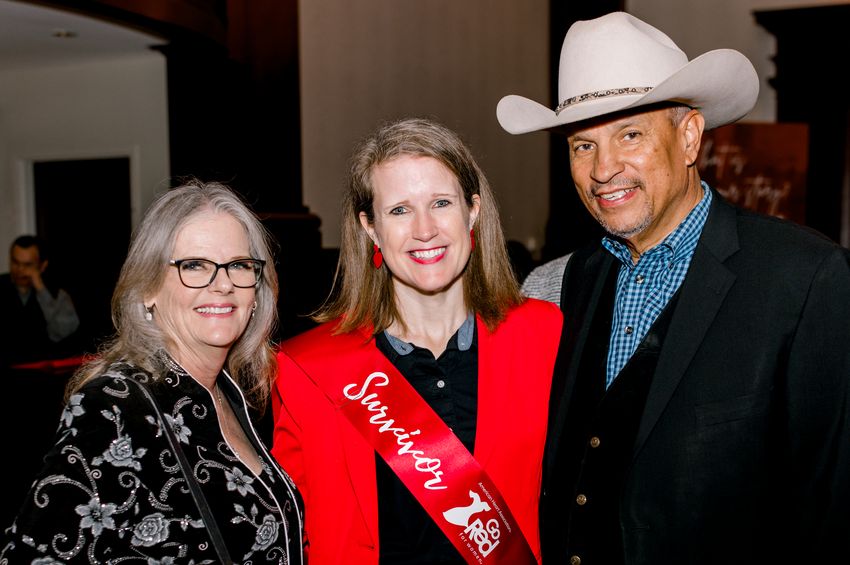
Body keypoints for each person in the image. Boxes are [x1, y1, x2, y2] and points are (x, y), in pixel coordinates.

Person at [497, 11, 850, 565]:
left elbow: (831, 511)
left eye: (630, 135)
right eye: (582, 145)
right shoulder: (559, 285)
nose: (603, 169)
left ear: (688, 138)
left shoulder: (805, 279)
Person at [271, 117, 562, 565]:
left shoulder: (543, 335)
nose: (424, 229)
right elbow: (290, 529)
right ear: (370, 227)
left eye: (441, 203)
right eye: (399, 210)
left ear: (473, 211)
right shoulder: (307, 369)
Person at [1, 180, 305, 564]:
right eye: (194, 265)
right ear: (148, 288)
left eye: (239, 265)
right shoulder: (112, 408)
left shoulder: (234, 396)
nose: (223, 284)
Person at [0, 234, 80, 365]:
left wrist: (41, 290)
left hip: (44, 368)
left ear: (42, 266)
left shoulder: (57, 293)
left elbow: (64, 332)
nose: (20, 270)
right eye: (15, 262)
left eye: (27, 265)